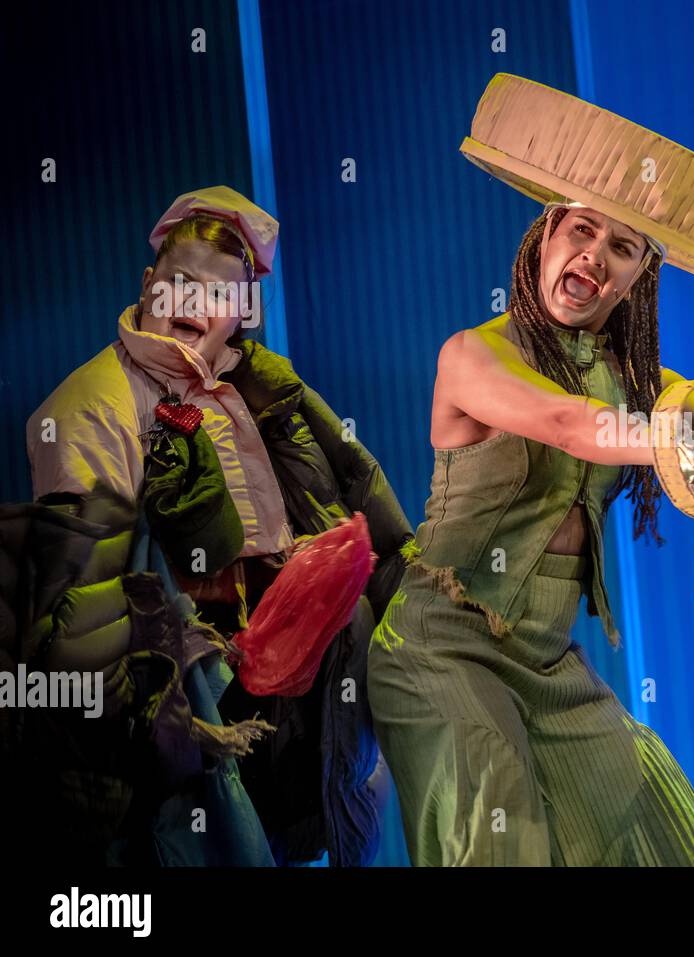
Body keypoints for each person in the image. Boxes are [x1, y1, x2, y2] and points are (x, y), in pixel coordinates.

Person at [368, 73, 694, 866]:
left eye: (621, 247)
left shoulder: (637, 382)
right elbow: (572, 424)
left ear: (637, 278)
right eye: (581, 232)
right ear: (546, 237)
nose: (594, 256)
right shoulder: (473, 356)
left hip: (548, 656)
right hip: (444, 644)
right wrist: (680, 435)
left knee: (657, 831)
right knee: (498, 835)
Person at [17, 186, 411, 865]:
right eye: (179, 284)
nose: (194, 306)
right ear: (149, 283)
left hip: (314, 703)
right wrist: (160, 725)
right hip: (200, 702)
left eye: (220, 294)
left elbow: (357, 485)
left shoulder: (261, 384)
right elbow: (83, 607)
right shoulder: (91, 408)